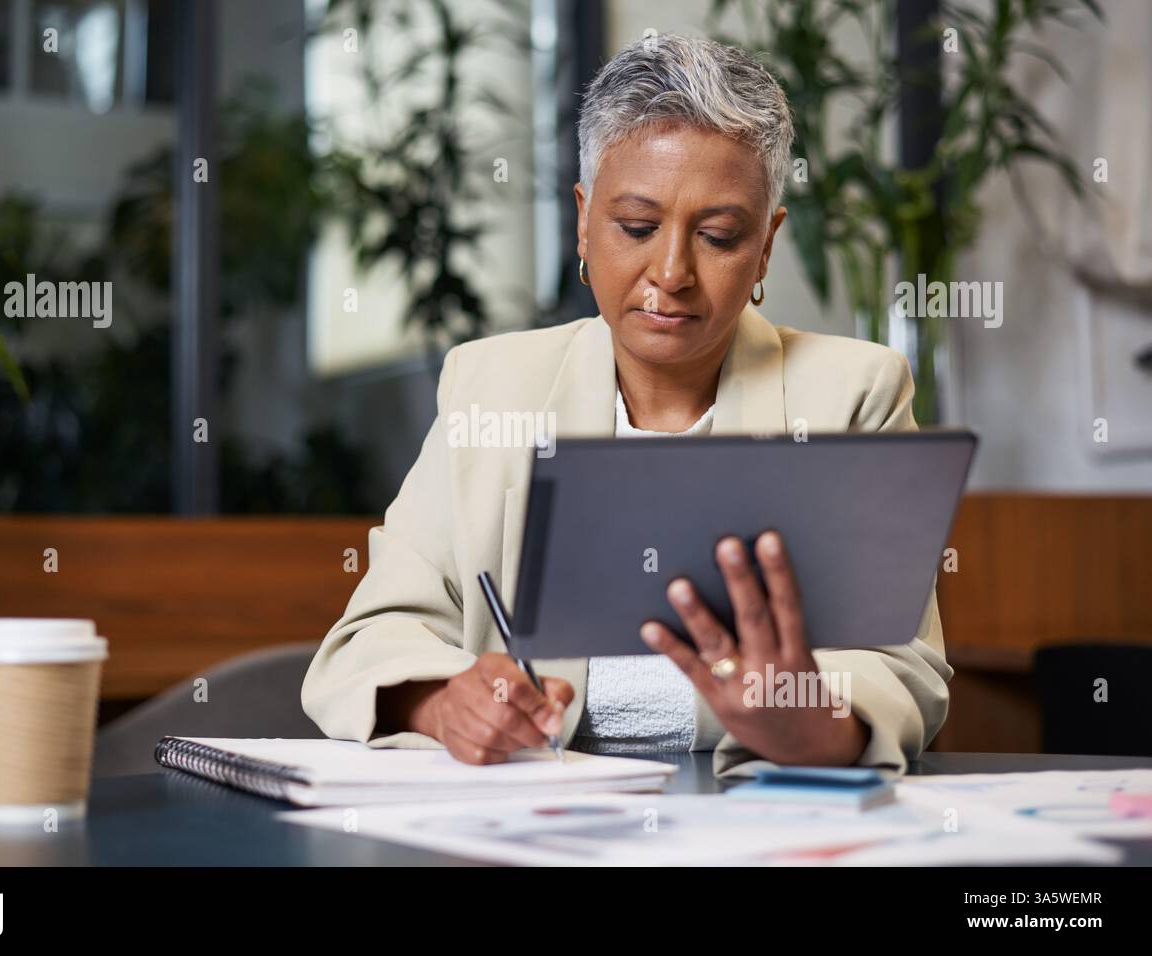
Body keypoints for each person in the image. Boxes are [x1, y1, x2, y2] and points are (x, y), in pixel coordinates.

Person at [302, 34, 952, 777]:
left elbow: (905, 668)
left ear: (767, 246)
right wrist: (443, 702)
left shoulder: (850, 395)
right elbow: (370, 640)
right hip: (528, 823)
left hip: (754, 823)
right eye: (637, 228)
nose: (671, 273)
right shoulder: (490, 388)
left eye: (718, 236)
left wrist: (810, 722)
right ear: (583, 222)